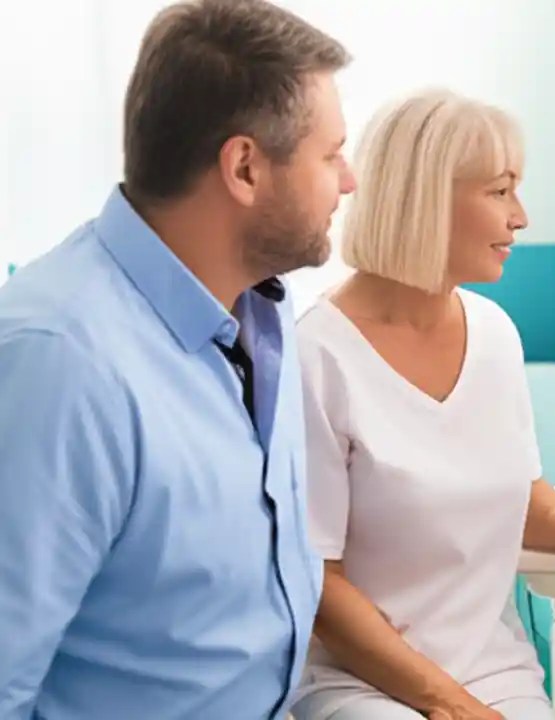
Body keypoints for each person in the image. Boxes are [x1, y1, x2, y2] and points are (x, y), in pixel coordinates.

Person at [0, 1, 355, 718]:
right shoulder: (60, 367)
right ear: (245, 168)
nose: (348, 180)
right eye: (331, 153)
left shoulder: (264, 311)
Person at [289, 88, 555, 720]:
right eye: (500, 191)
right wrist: (446, 703)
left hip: (491, 673)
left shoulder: (494, 334)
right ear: (427, 199)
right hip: (364, 684)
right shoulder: (318, 356)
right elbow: (319, 584)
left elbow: (516, 493)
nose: (521, 217)